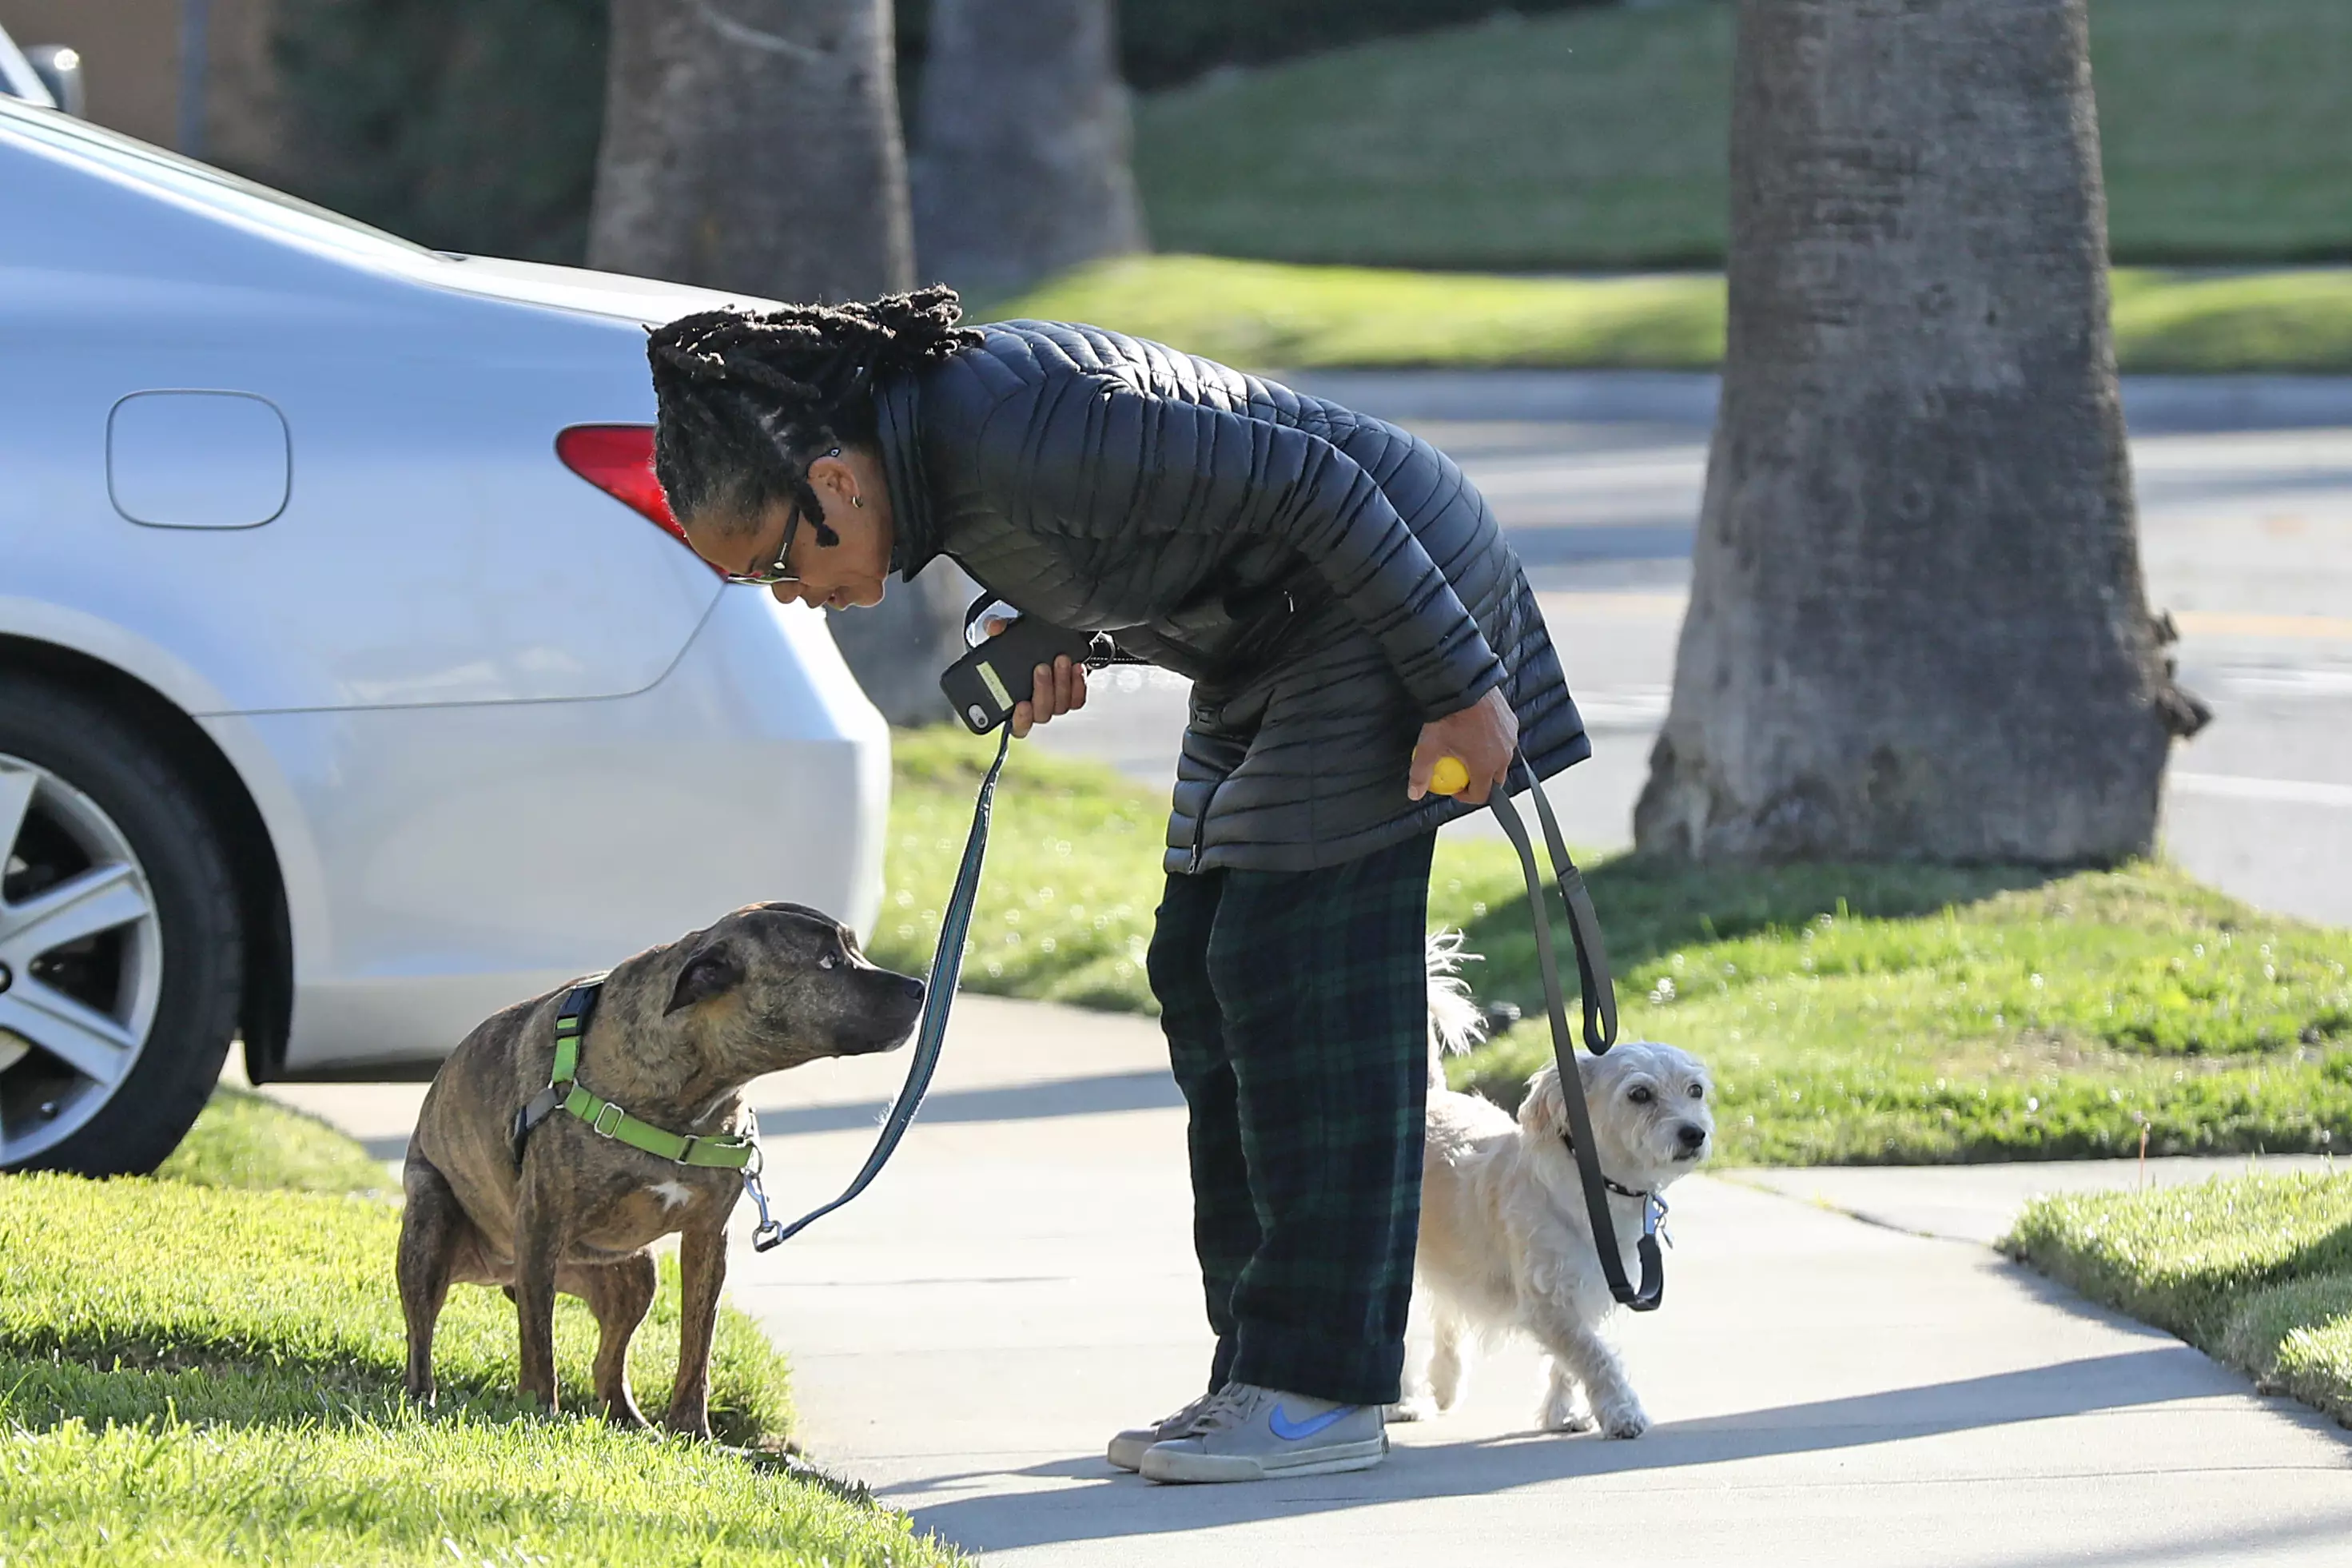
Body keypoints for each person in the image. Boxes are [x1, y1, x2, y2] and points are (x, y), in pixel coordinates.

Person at [648, 287, 1588, 1483]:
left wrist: (1462, 683)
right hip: (1263, 638)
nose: (791, 593)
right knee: (1202, 963)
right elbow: (1144, 534)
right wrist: (1041, 619)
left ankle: (1321, 1389)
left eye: (779, 560)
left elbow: (1318, 486)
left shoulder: (1020, 429)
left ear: (833, 483)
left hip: (1385, 598)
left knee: (1293, 964)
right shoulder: (936, 461)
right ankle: (1264, 1367)